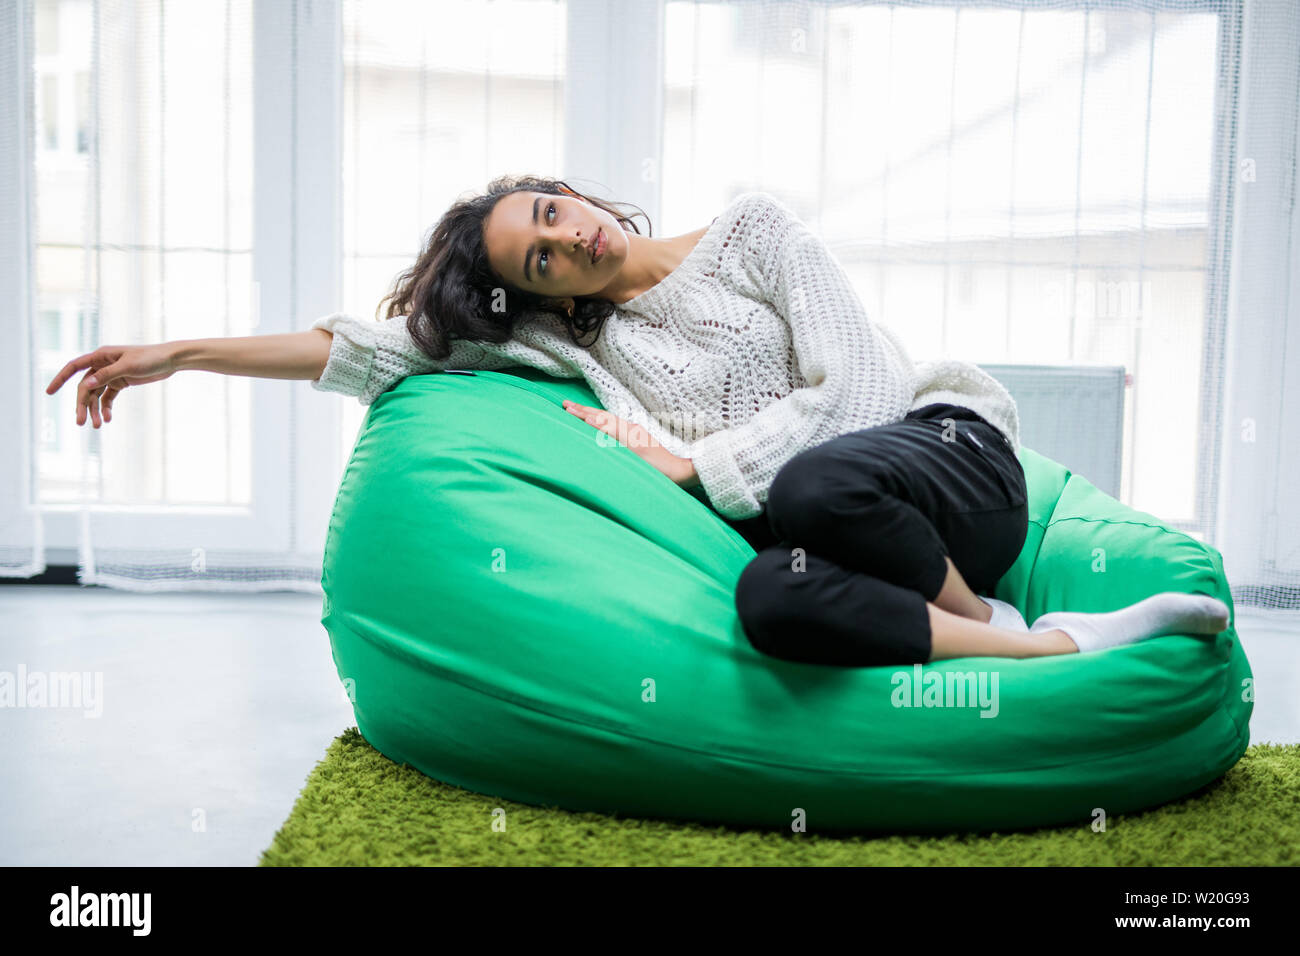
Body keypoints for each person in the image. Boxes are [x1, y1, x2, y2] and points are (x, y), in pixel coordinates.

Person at [45, 174, 1229, 664]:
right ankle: (1041, 644)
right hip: (867, 543)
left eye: (556, 211)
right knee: (769, 597)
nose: (571, 241)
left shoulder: (752, 232)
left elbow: (860, 390)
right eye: (543, 256)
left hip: (950, 458)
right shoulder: (563, 341)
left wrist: (692, 466)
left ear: (582, 188)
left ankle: (973, 612)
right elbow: (366, 350)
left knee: (811, 491)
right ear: (539, 293)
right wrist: (178, 354)